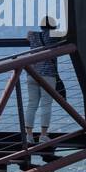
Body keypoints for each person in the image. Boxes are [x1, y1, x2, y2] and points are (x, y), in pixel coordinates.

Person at [25, 16, 62, 144]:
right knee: (46, 104)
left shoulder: (33, 35)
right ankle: (43, 135)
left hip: (32, 73)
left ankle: (29, 136)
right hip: (48, 74)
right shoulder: (55, 35)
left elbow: (28, 35)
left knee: (31, 104)